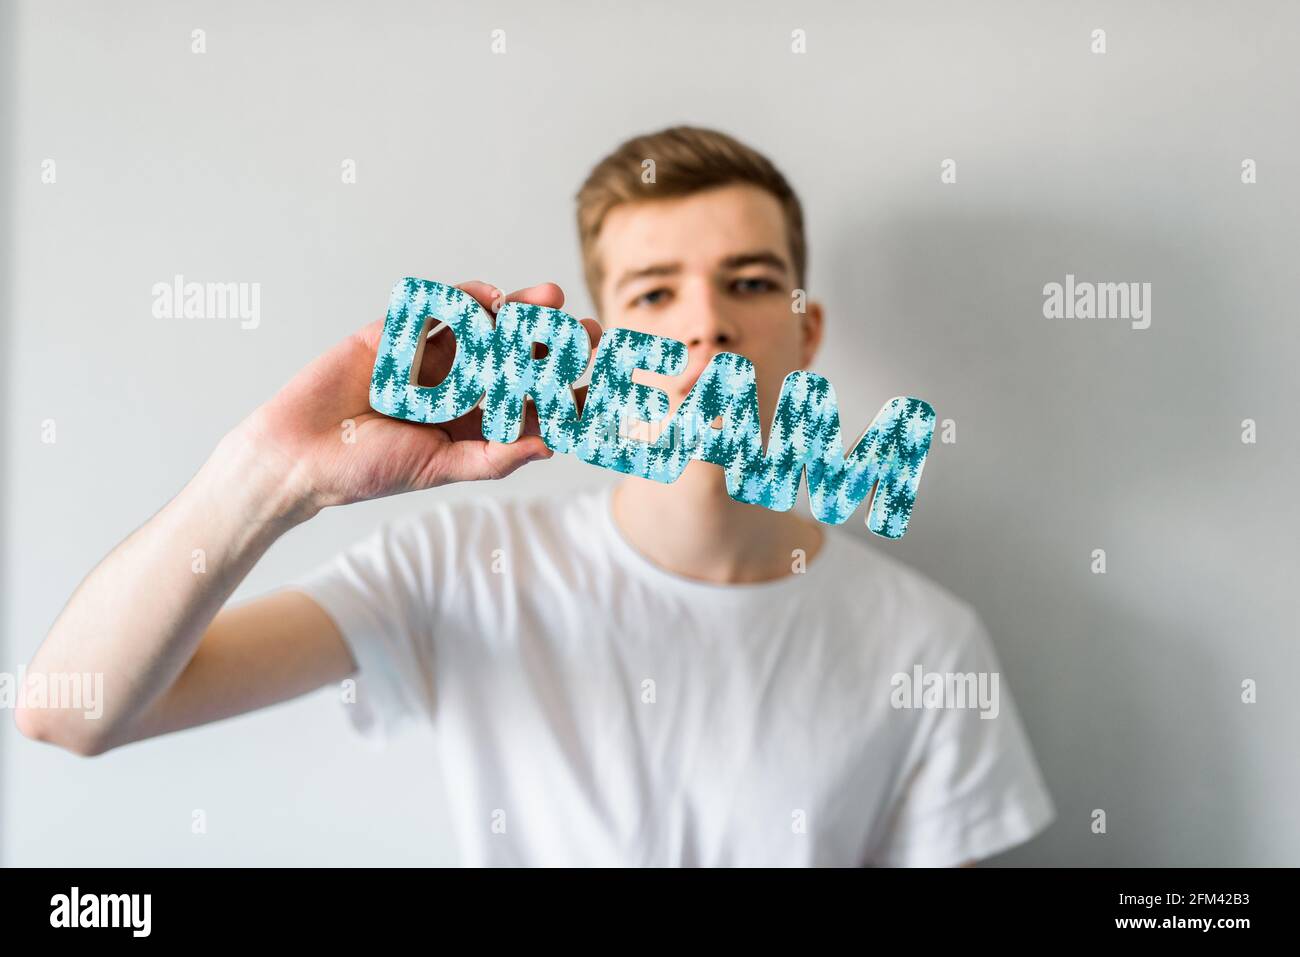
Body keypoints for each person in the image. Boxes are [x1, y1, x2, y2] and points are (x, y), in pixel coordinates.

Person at [16, 126, 1055, 866]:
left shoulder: (927, 642)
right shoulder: (457, 569)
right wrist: (270, 475)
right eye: (654, 292)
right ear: (600, 336)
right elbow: (69, 715)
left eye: (748, 281)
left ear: (805, 331)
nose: (705, 326)